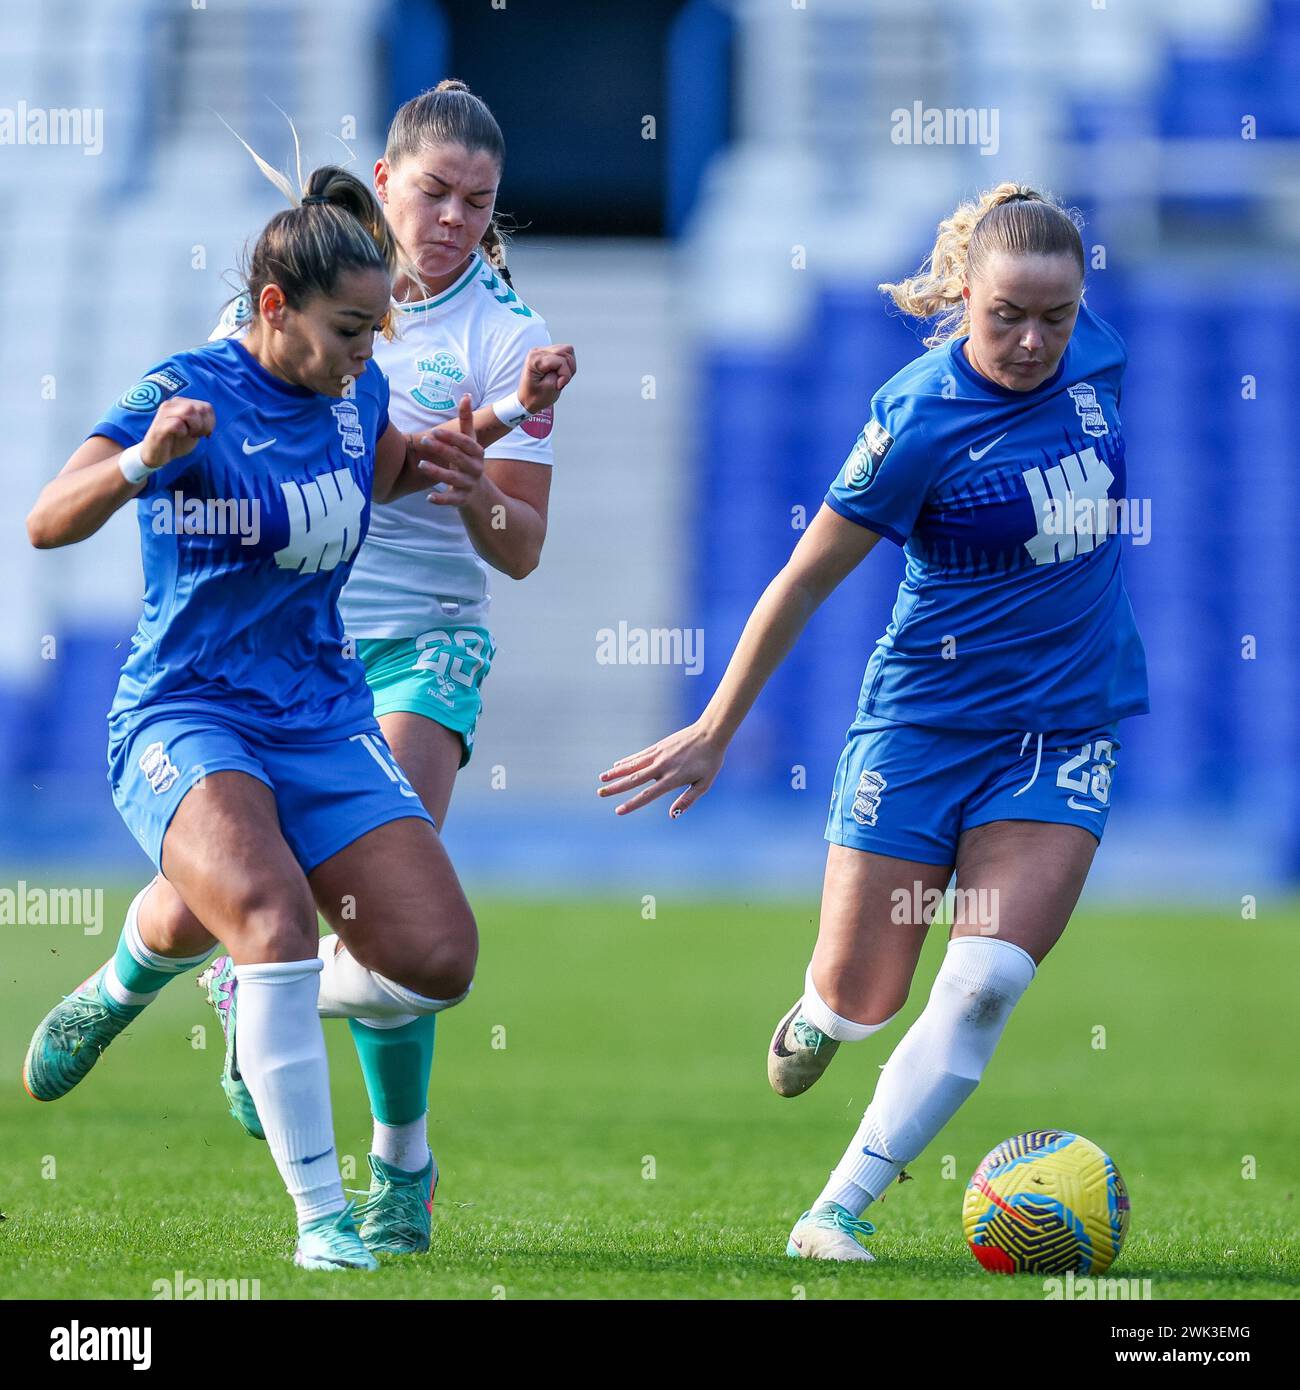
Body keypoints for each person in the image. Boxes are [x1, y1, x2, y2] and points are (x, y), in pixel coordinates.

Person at [23, 82, 575, 1258]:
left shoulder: (357, 378)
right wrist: (140, 465)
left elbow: (389, 471)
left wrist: (497, 428)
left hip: (328, 700)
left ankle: (159, 979)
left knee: (430, 955)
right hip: (192, 706)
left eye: (479, 201)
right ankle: (331, 1214)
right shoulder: (197, 385)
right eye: (349, 334)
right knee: (269, 915)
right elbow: (45, 521)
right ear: (273, 310)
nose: (372, 353)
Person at [599, 183, 1148, 1261]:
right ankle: (819, 1011)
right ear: (962, 296)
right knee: (863, 996)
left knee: (987, 978)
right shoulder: (916, 421)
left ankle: (835, 1209)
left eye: (1057, 316)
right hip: (922, 729)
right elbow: (803, 581)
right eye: (1007, 317)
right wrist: (714, 726)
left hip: (1063, 731)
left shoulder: (1099, 360)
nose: (1035, 339)